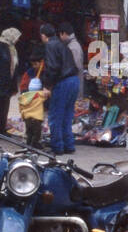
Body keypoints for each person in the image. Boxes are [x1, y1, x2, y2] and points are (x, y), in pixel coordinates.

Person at [39, 22, 79, 154]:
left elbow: (52, 67)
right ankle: (69, 145)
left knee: (55, 115)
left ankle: (57, 147)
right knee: (67, 115)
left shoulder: (50, 45)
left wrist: (47, 86)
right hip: (74, 80)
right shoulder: (62, 44)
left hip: (63, 82)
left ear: (44, 36)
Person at [58, 21, 85, 101]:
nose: (60, 38)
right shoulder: (71, 45)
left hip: (74, 85)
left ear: (64, 34)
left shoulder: (73, 47)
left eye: (60, 35)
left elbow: (76, 66)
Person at [18, 77, 48, 147]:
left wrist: (23, 114)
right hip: (36, 118)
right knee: (37, 133)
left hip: (27, 118)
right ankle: (34, 145)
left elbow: (20, 107)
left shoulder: (24, 96)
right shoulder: (39, 94)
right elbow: (47, 94)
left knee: (29, 133)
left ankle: (28, 144)